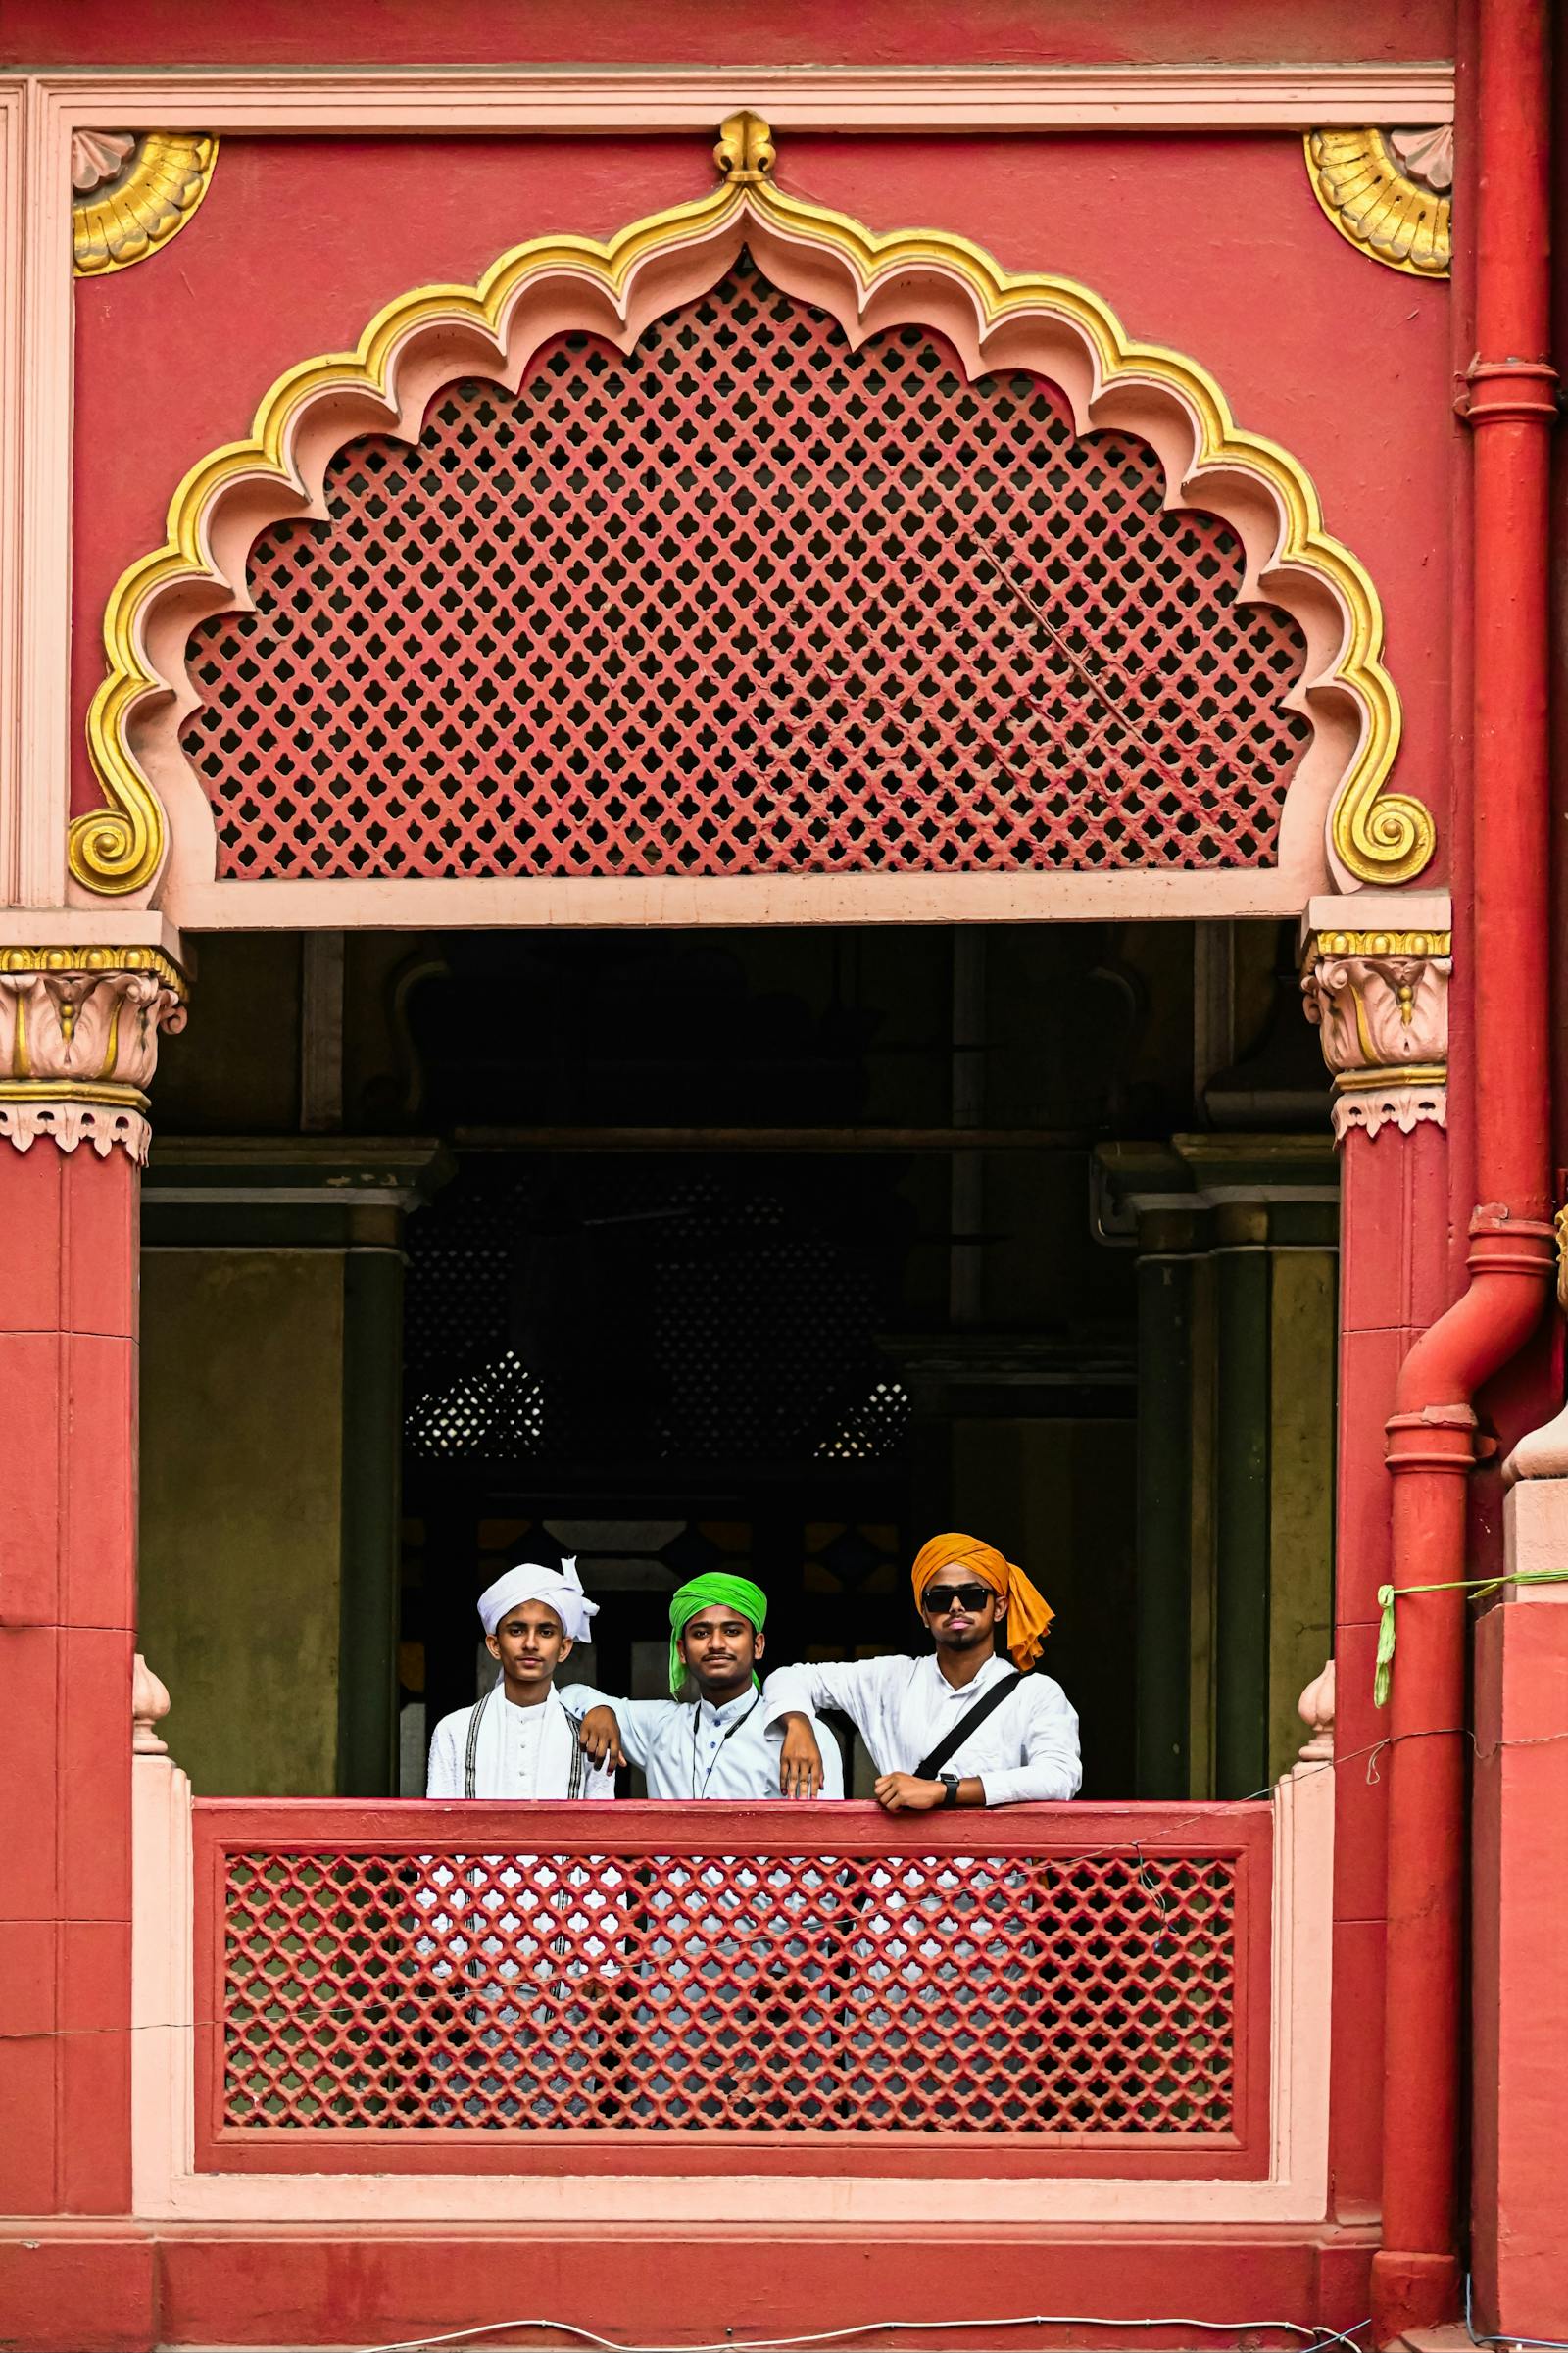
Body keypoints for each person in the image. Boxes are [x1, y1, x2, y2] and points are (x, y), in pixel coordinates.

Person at [760, 1530, 1081, 1807]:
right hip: (902, 1876)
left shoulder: (1037, 1694)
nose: (956, 1606)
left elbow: (1059, 1776)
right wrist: (798, 1726)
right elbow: (788, 1677)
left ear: (998, 1608)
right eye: (940, 1599)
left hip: (993, 1878)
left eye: (971, 1596)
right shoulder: (890, 1680)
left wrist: (942, 1791)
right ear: (925, 1613)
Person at [570, 1571, 844, 1798]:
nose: (715, 1643)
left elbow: (828, 1847)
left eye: (732, 1631)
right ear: (682, 1650)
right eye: (701, 1633)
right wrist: (600, 1708)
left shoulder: (805, 1736)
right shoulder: (661, 1726)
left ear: (758, 1645)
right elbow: (567, 1696)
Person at [424, 1556, 615, 1800]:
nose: (530, 1644)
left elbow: (601, 1829)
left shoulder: (591, 1735)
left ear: (564, 1648)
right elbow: (439, 1827)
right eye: (517, 1630)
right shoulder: (454, 1730)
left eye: (545, 1632)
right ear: (494, 1644)